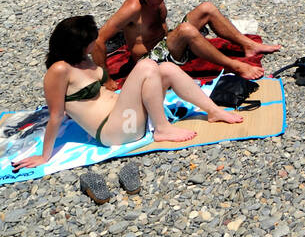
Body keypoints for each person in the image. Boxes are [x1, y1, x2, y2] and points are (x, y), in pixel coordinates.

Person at [11, 15, 244, 172]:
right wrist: (44, 156)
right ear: (77, 45)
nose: (96, 43)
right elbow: (55, 115)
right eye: (92, 41)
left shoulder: (83, 59)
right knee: (147, 66)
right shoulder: (59, 70)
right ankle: (162, 129)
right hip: (116, 131)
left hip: (126, 117)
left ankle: (212, 111)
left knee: (167, 68)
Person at [91, 0, 280, 82]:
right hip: (148, 61)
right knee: (187, 31)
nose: (156, 6)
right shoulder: (132, 9)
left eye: (160, 1)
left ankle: (248, 45)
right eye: (151, 2)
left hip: (167, 46)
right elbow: (99, 39)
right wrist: (105, 79)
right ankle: (235, 66)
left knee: (207, 8)